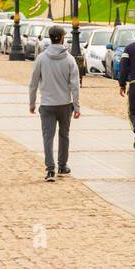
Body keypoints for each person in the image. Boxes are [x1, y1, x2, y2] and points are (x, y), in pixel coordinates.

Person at [28, 24, 82, 182]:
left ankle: (50, 169)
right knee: (64, 135)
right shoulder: (70, 60)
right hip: (65, 104)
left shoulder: (41, 58)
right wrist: (77, 106)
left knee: (48, 137)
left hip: (47, 105)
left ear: (50, 38)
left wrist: (32, 104)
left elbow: (33, 83)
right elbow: (75, 86)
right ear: (63, 38)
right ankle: (63, 165)